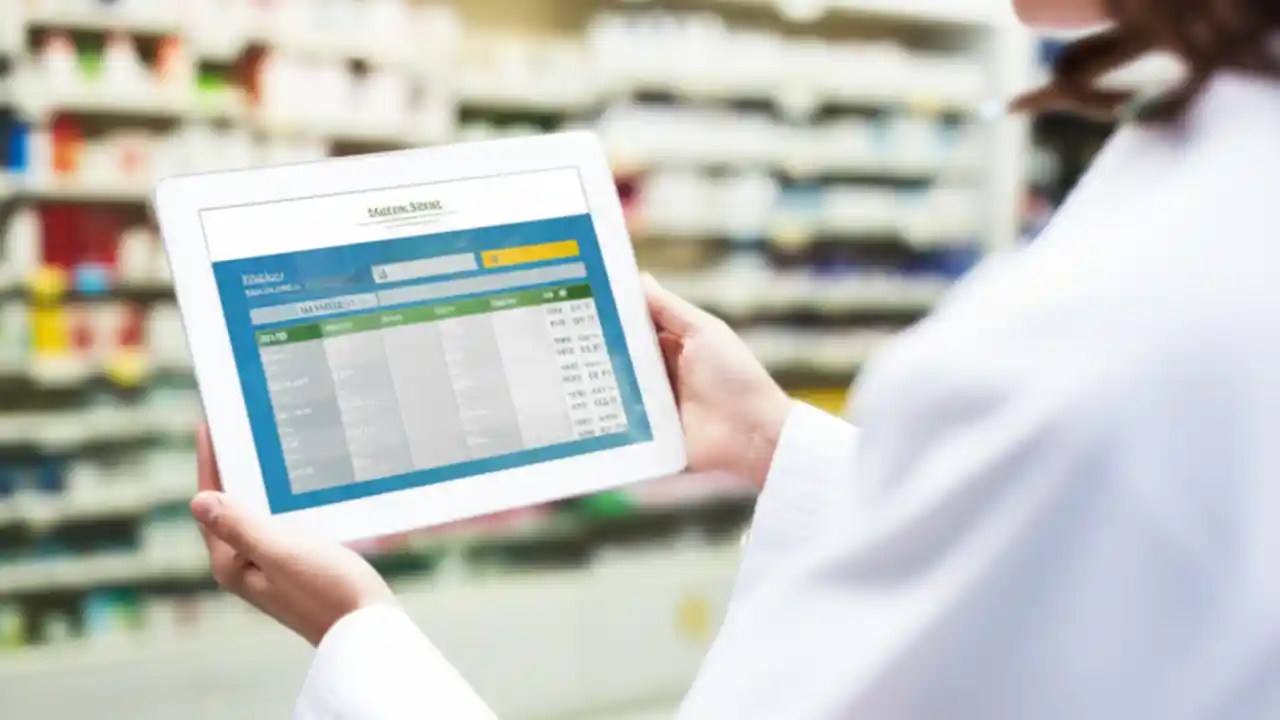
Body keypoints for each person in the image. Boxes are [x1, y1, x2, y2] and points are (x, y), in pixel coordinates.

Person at [189, 0, 1280, 717]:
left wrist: (356, 637)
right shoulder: (1210, 190)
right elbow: (1062, 565)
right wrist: (774, 444)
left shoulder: (1107, 331)